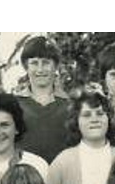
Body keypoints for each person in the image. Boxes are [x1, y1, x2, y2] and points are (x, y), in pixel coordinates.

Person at [43, 87, 115, 184]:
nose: (94, 119)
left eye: (100, 113)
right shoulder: (63, 161)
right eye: (86, 115)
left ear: (108, 119)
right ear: (76, 122)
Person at [14, 35, 73, 164]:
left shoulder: (70, 106)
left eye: (46, 63)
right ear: (26, 66)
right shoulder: (13, 105)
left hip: (61, 177)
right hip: (25, 179)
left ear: (55, 65)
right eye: (34, 63)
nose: (40, 70)